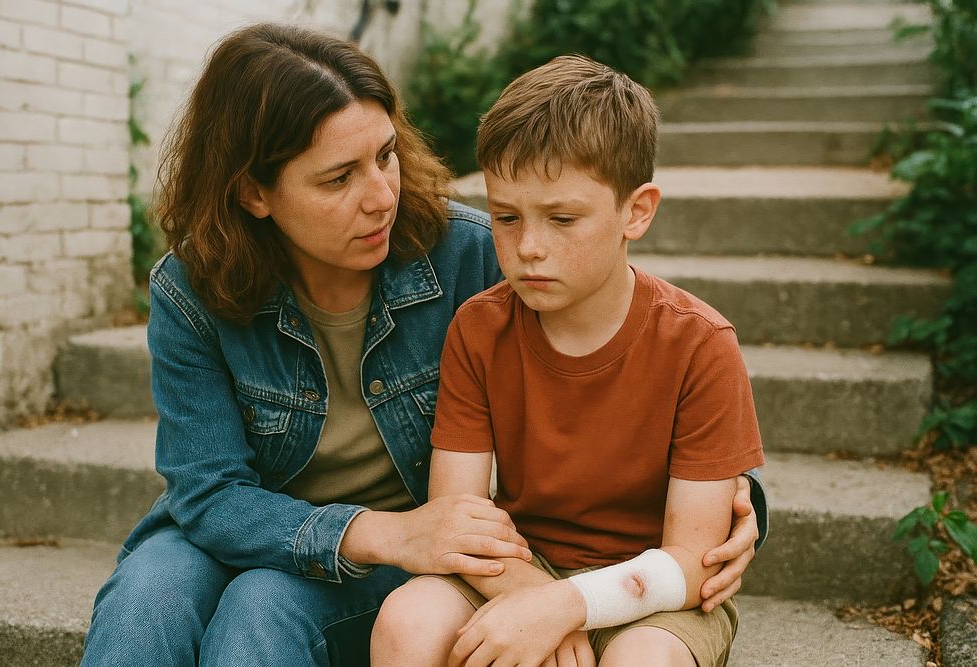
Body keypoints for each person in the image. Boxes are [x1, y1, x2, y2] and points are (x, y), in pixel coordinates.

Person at [81, 24, 764, 667]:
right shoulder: (191, 289)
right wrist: (388, 533)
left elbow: (619, 347)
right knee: (146, 601)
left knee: (262, 608)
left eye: (385, 156)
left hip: (412, 551)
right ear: (254, 193)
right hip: (273, 528)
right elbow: (210, 494)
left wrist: (740, 505)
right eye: (339, 177)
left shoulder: (474, 253)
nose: (382, 195)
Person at [371, 54, 766, 667]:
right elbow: (459, 522)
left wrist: (566, 606)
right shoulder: (479, 329)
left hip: (655, 597)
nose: (528, 247)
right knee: (409, 620)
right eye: (505, 217)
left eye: (562, 219)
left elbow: (694, 562)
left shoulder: (700, 344)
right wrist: (532, 595)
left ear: (636, 211)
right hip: (515, 565)